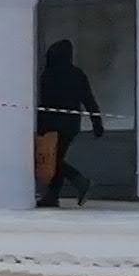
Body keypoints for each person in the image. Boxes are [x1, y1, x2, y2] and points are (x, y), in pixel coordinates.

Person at [34, 34, 105, 206]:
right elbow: (88, 99)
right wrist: (97, 123)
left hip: (49, 124)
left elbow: (40, 98)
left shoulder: (48, 74)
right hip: (69, 125)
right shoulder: (76, 74)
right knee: (55, 159)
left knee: (54, 159)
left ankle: (77, 183)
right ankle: (55, 194)